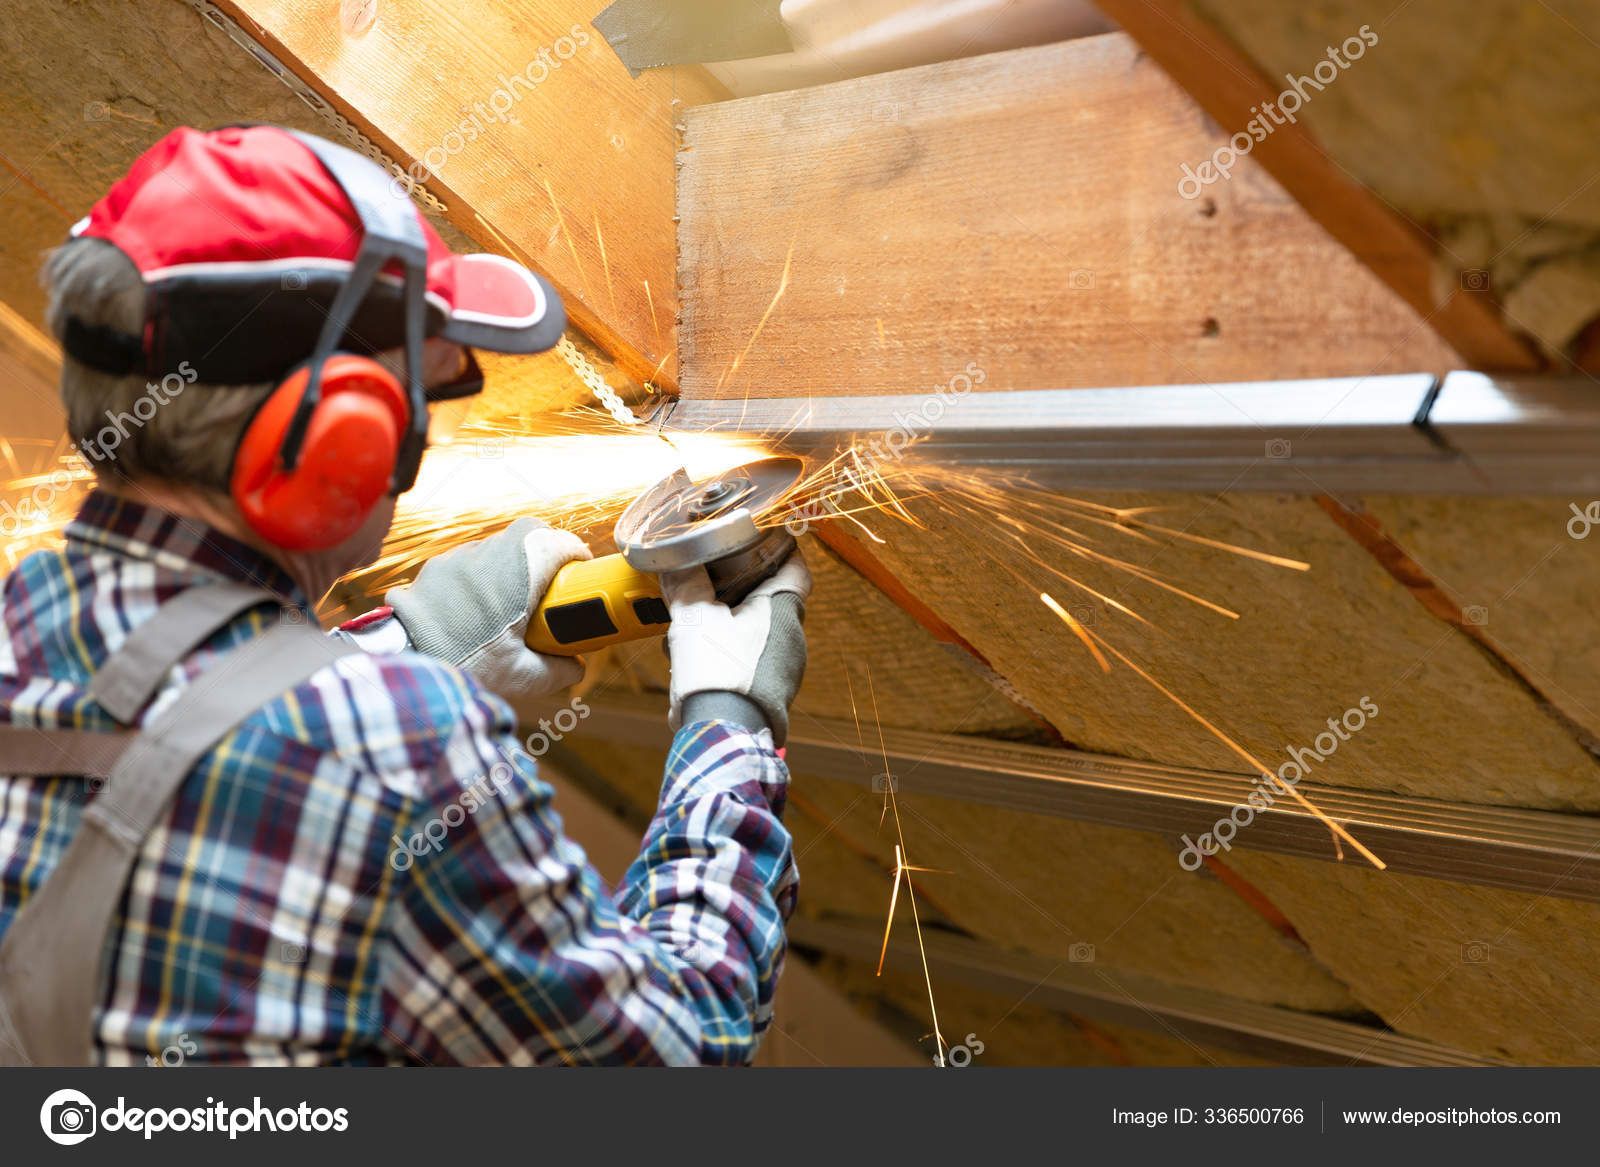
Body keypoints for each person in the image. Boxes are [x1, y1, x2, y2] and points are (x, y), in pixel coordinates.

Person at [0, 125, 808, 1066]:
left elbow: (175, 724)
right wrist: (729, 726)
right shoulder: (401, 752)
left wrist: (422, 638)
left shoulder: (25, 619)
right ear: (342, 435)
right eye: (416, 395)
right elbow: (681, 1051)